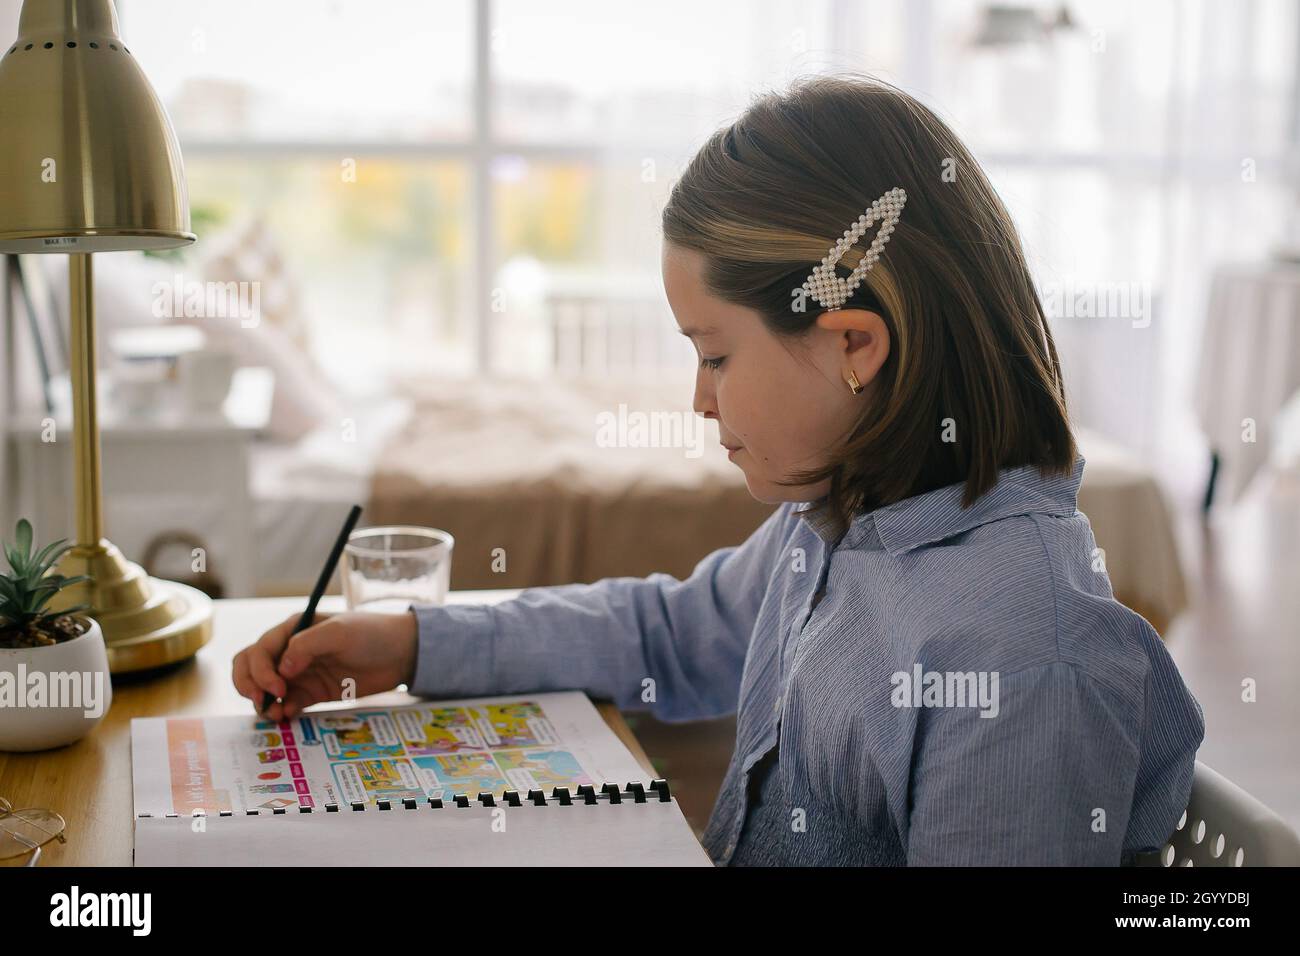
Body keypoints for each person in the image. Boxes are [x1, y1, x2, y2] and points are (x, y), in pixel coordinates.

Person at [233, 73, 1204, 866]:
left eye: (715, 355)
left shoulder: (1022, 659)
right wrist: (408, 643)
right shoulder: (838, 519)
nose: (699, 400)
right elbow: (668, 633)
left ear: (854, 344)